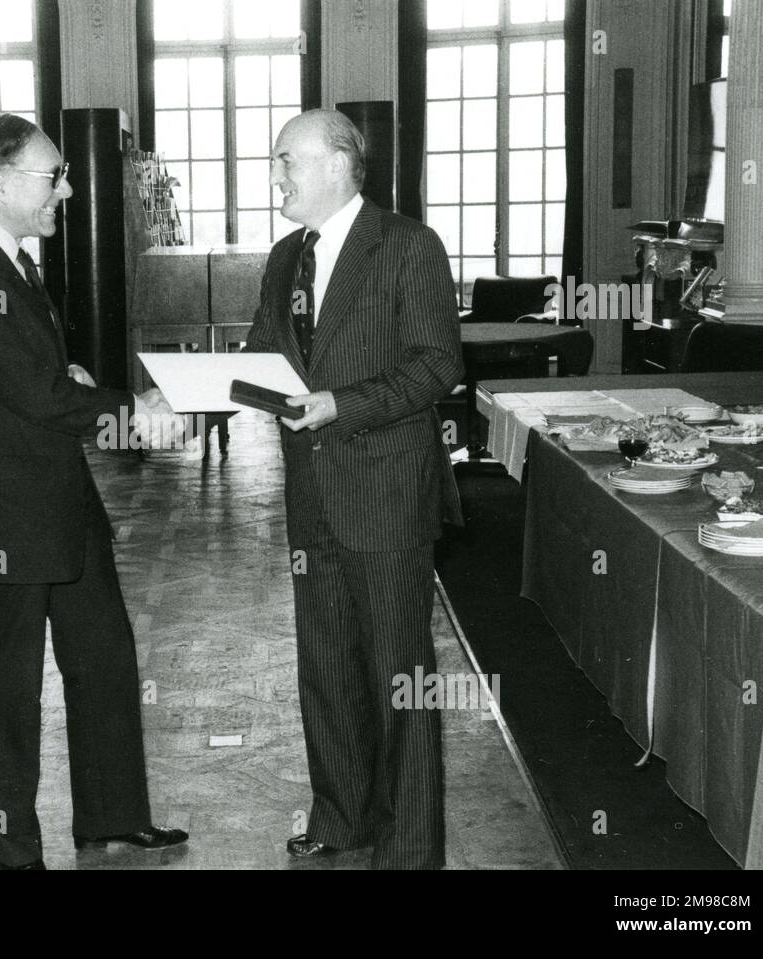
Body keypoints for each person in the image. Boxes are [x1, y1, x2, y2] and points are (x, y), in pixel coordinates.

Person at [0, 113, 187, 870]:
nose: (66, 190)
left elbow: (27, 376)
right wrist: (129, 414)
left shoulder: (9, 257)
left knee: (103, 654)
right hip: (3, 511)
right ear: (0, 183)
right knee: (8, 687)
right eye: (53, 176)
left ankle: (111, 816)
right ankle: (12, 844)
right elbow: (34, 390)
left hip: (57, 497)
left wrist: (74, 385)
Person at [244, 109, 463, 869]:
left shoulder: (408, 247)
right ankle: (341, 818)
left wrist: (343, 403)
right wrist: (198, 388)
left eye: (285, 161)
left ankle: (409, 847)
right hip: (312, 498)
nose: (275, 175)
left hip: (388, 499)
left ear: (339, 163)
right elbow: (262, 361)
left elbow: (438, 365)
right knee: (328, 669)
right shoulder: (282, 259)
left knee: (401, 677)